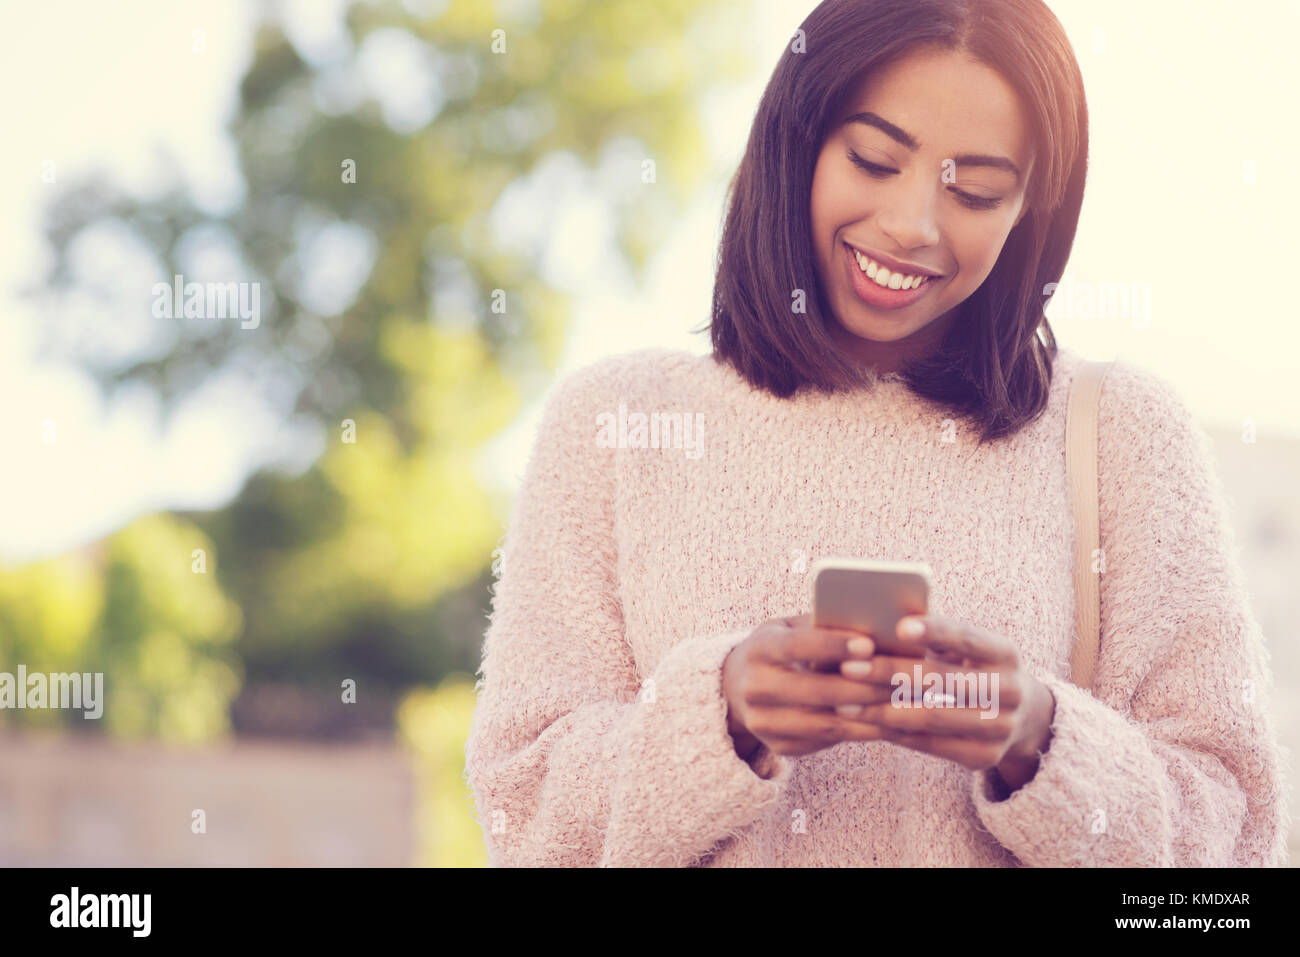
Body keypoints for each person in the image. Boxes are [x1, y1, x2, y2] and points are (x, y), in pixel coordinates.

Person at [463, 0, 1290, 867]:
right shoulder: (615, 426)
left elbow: (1231, 846)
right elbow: (526, 812)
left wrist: (1040, 740)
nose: (912, 225)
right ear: (797, 143)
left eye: (976, 191)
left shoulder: (1119, 433)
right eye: (873, 159)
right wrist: (718, 718)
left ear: (1029, 211)